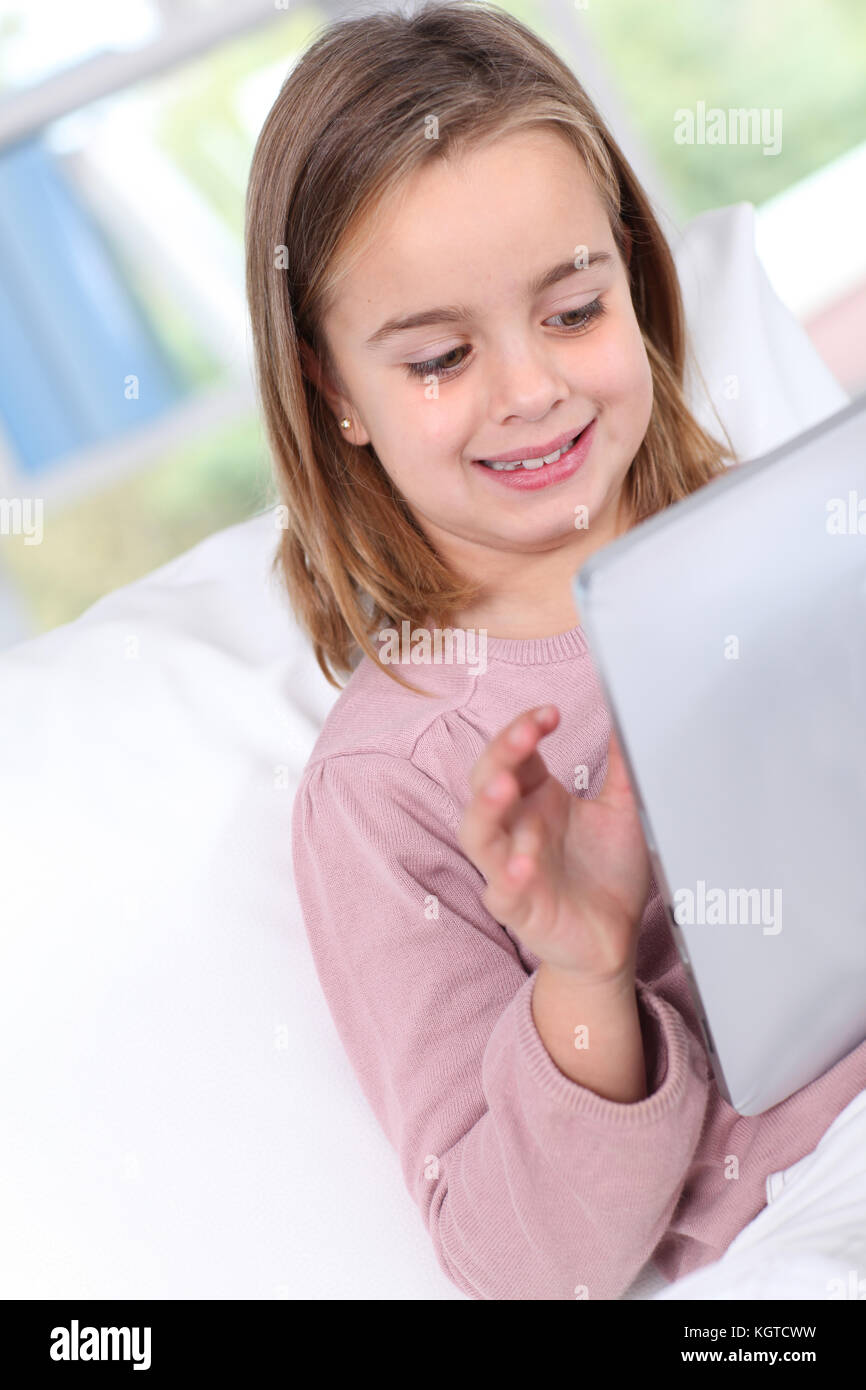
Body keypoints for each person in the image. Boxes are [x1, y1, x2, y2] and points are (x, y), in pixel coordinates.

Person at [245, 0, 866, 1299]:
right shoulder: (390, 786)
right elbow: (524, 1266)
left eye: (572, 309)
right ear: (331, 393)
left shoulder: (797, 523)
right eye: (439, 356)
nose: (529, 388)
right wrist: (583, 973)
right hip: (809, 1209)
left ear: (630, 278)